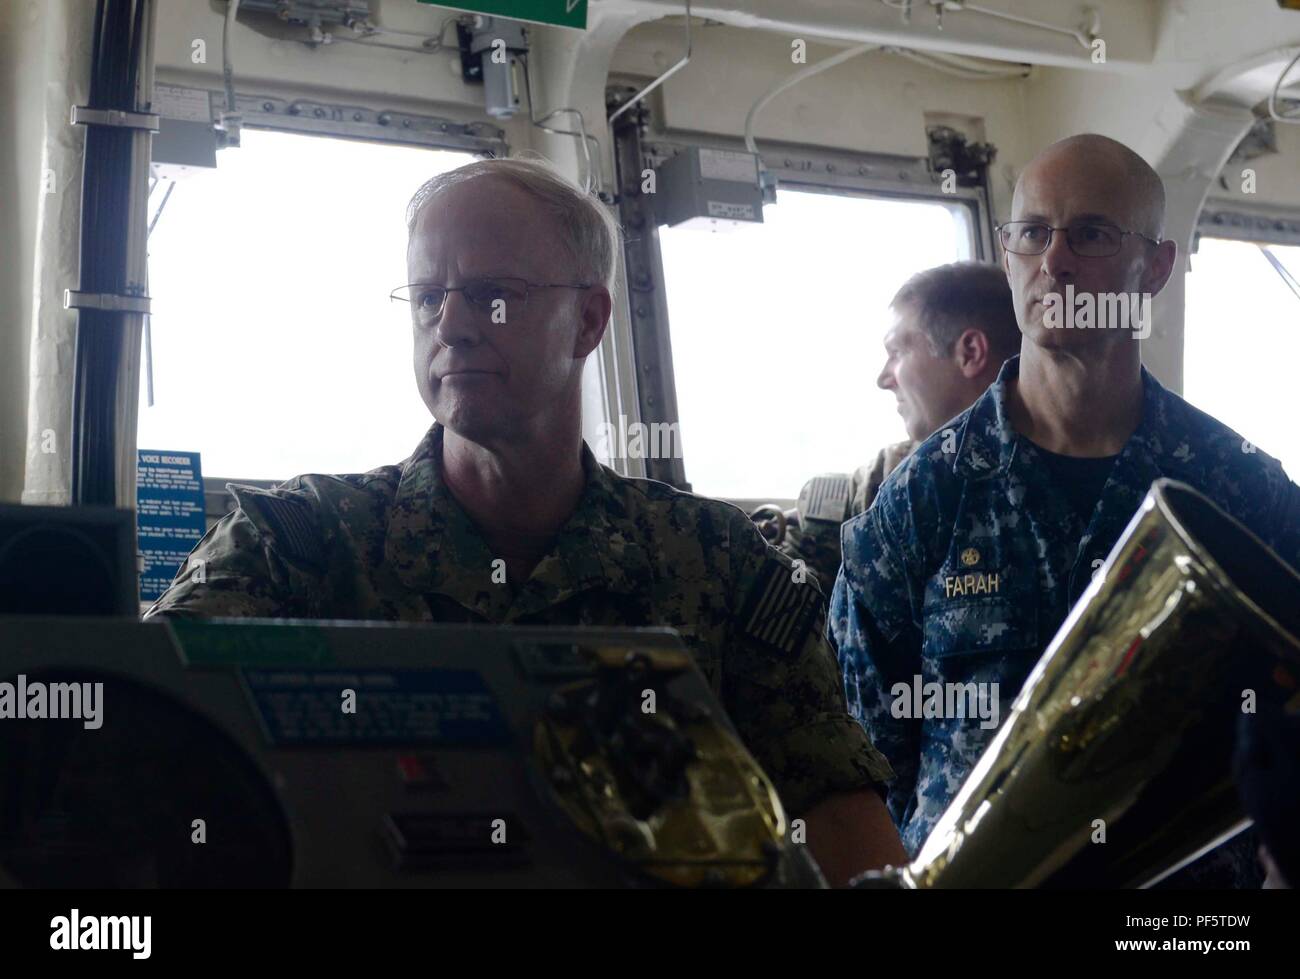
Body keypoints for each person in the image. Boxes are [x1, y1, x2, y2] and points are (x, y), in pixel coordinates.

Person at [145, 157, 906, 885]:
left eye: (490, 294)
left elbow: (839, 824)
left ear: (587, 320)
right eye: (426, 298)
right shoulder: (294, 546)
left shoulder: (718, 563)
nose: (451, 325)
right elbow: (136, 751)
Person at [829, 133, 1300, 884]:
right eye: (1032, 234)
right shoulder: (924, 496)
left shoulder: (1239, 490)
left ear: (1154, 268)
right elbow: (861, 745)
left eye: (1090, 234)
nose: (1054, 261)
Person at [767, 262, 1019, 592]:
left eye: (897, 352)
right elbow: (790, 574)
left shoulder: (1063, 469)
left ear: (970, 352)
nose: (883, 379)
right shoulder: (881, 481)